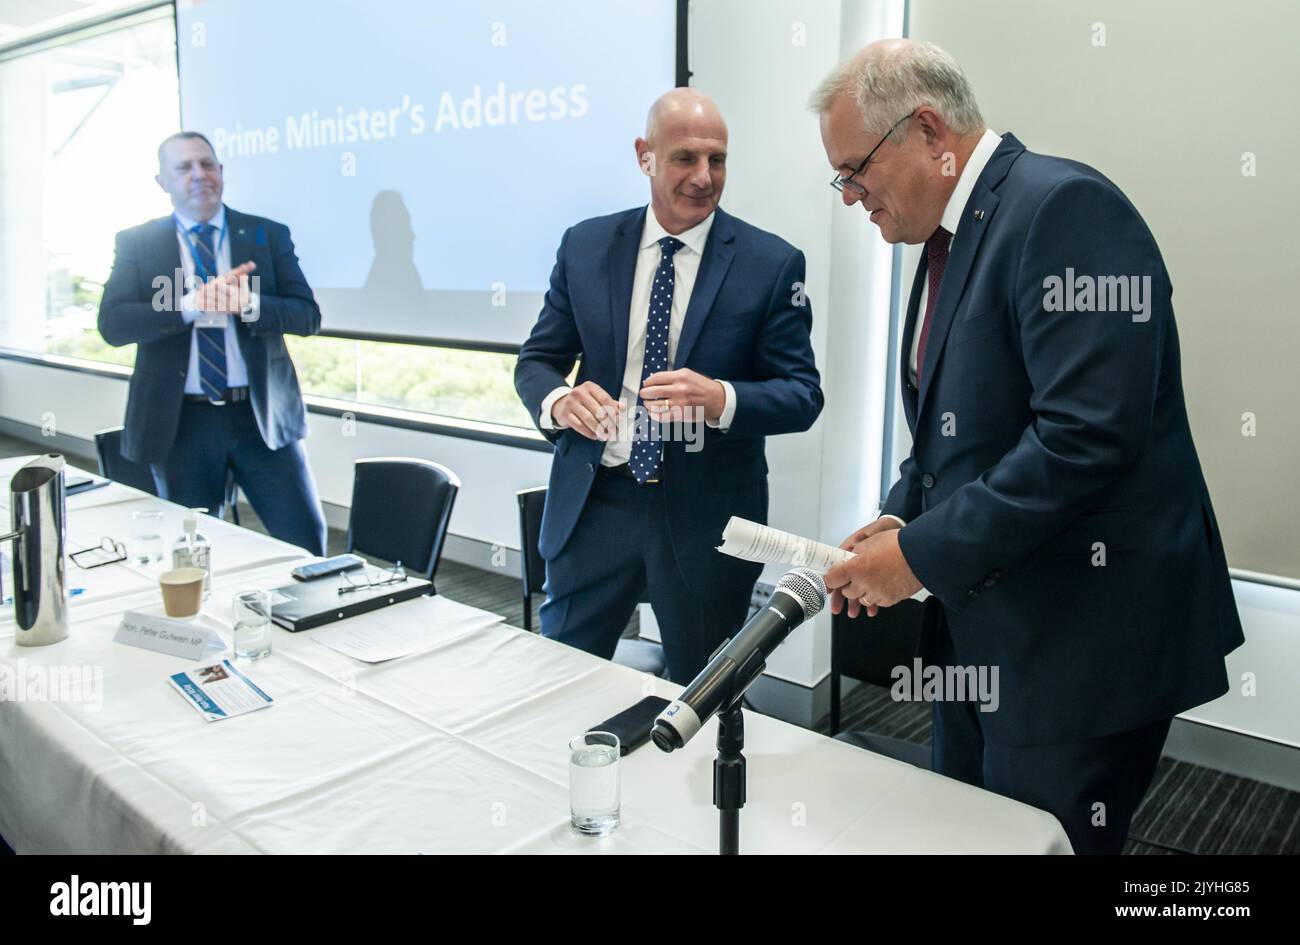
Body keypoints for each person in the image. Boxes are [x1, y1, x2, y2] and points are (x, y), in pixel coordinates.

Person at [811, 40, 1243, 854]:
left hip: (1081, 644)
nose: (850, 196)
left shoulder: (1064, 209)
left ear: (928, 129)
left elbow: (1085, 440)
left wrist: (919, 555)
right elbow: (960, 435)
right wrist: (895, 518)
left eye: (854, 170)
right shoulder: (952, 236)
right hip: (988, 629)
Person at [515, 89, 823, 684]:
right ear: (645, 156)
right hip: (593, 507)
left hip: (705, 518)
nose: (705, 178)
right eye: (685, 158)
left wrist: (721, 399)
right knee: (557, 682)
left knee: (702, 700)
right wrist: (559, 401)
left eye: (719, 160)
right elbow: (537, 361)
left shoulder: (772, 263)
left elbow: (802, 394)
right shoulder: (585, 246)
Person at [99, 131, 327, 555]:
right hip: (182, 424)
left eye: (206, 164)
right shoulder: (138, 242)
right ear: (162, 182)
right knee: (191, 551)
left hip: (262, 418)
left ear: (221, 172)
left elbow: (307, 315)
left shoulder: (266, 235)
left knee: (305, 543)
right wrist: (188, 305)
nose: (198, 175)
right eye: (183, 168)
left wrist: (250, 302)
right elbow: (113, 324)